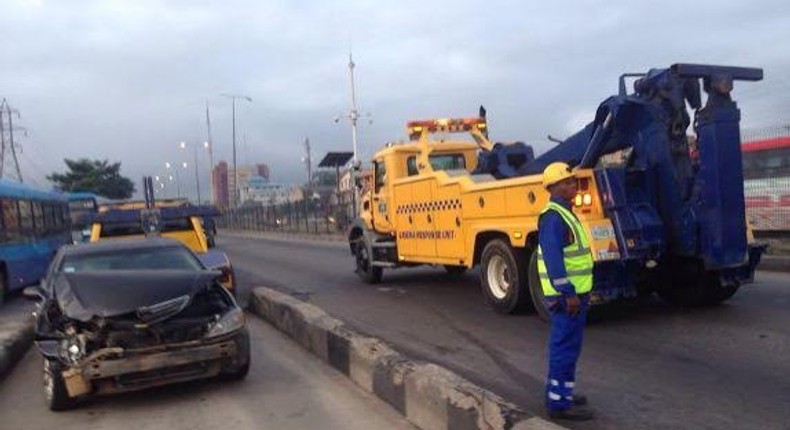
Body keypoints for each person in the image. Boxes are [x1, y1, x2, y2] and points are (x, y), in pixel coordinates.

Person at [537, 162, 595, 421]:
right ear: (554, 187)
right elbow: (554, 260)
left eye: (573, 181)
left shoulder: (565, 213)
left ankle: (559, 393)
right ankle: (559, 405)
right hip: (566, 297)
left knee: (568, 347)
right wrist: (568, 293)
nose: (573, 185)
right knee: (565, 348)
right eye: (567, 182)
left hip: (575, 294)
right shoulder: (553, 217)